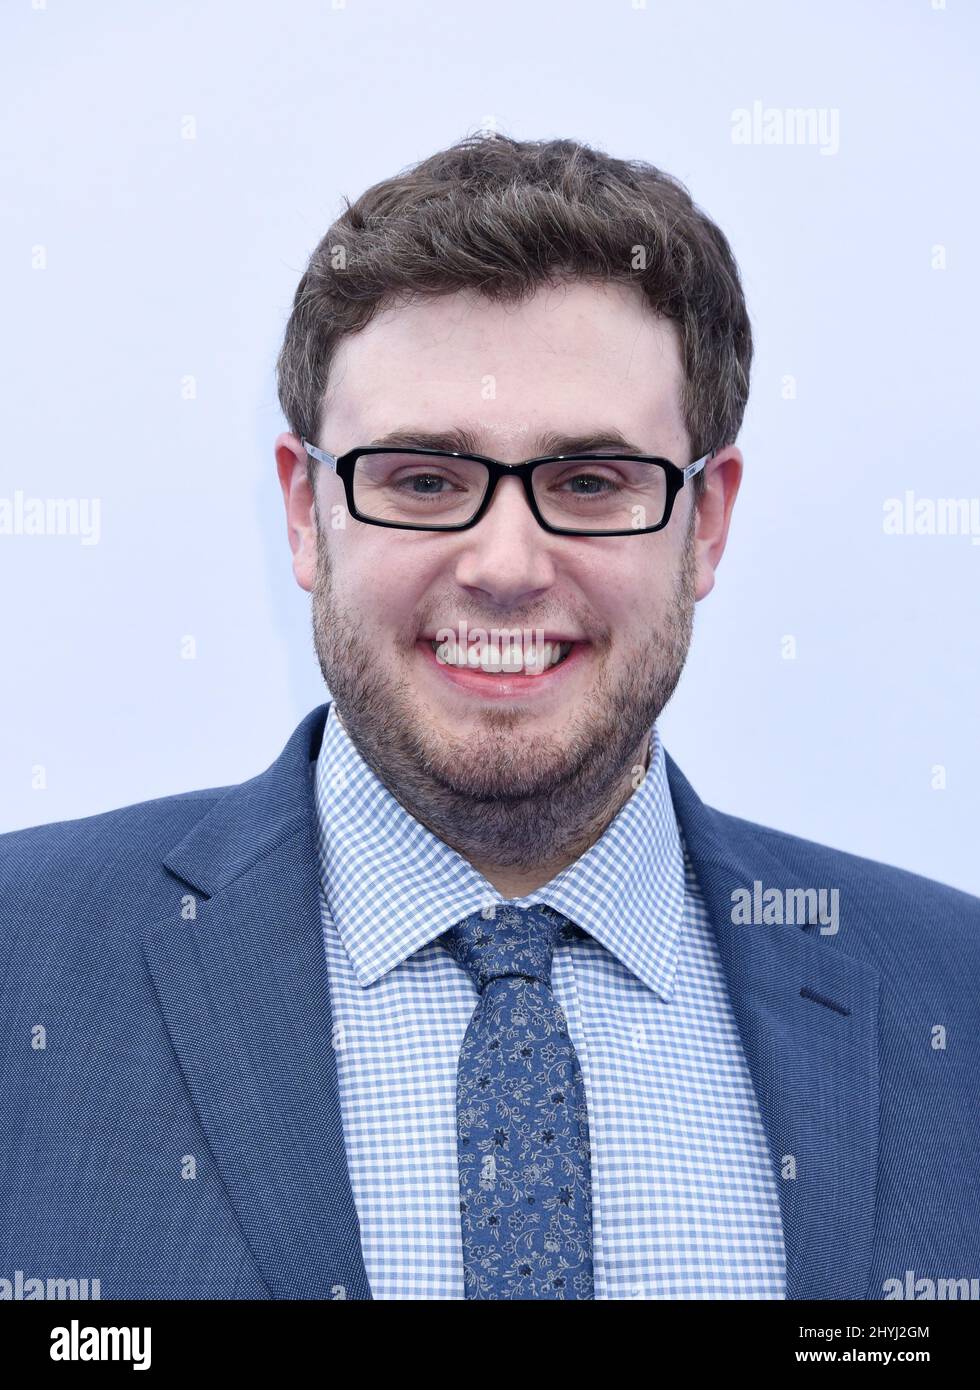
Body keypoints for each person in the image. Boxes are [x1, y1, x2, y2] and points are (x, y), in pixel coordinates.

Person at [1, 134, 977, 1302]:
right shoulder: (24, 966)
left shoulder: (950, 1000)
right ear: (305, 517)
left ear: (704, 523)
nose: (505, 564)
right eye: (422, 479)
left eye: (588, 482)